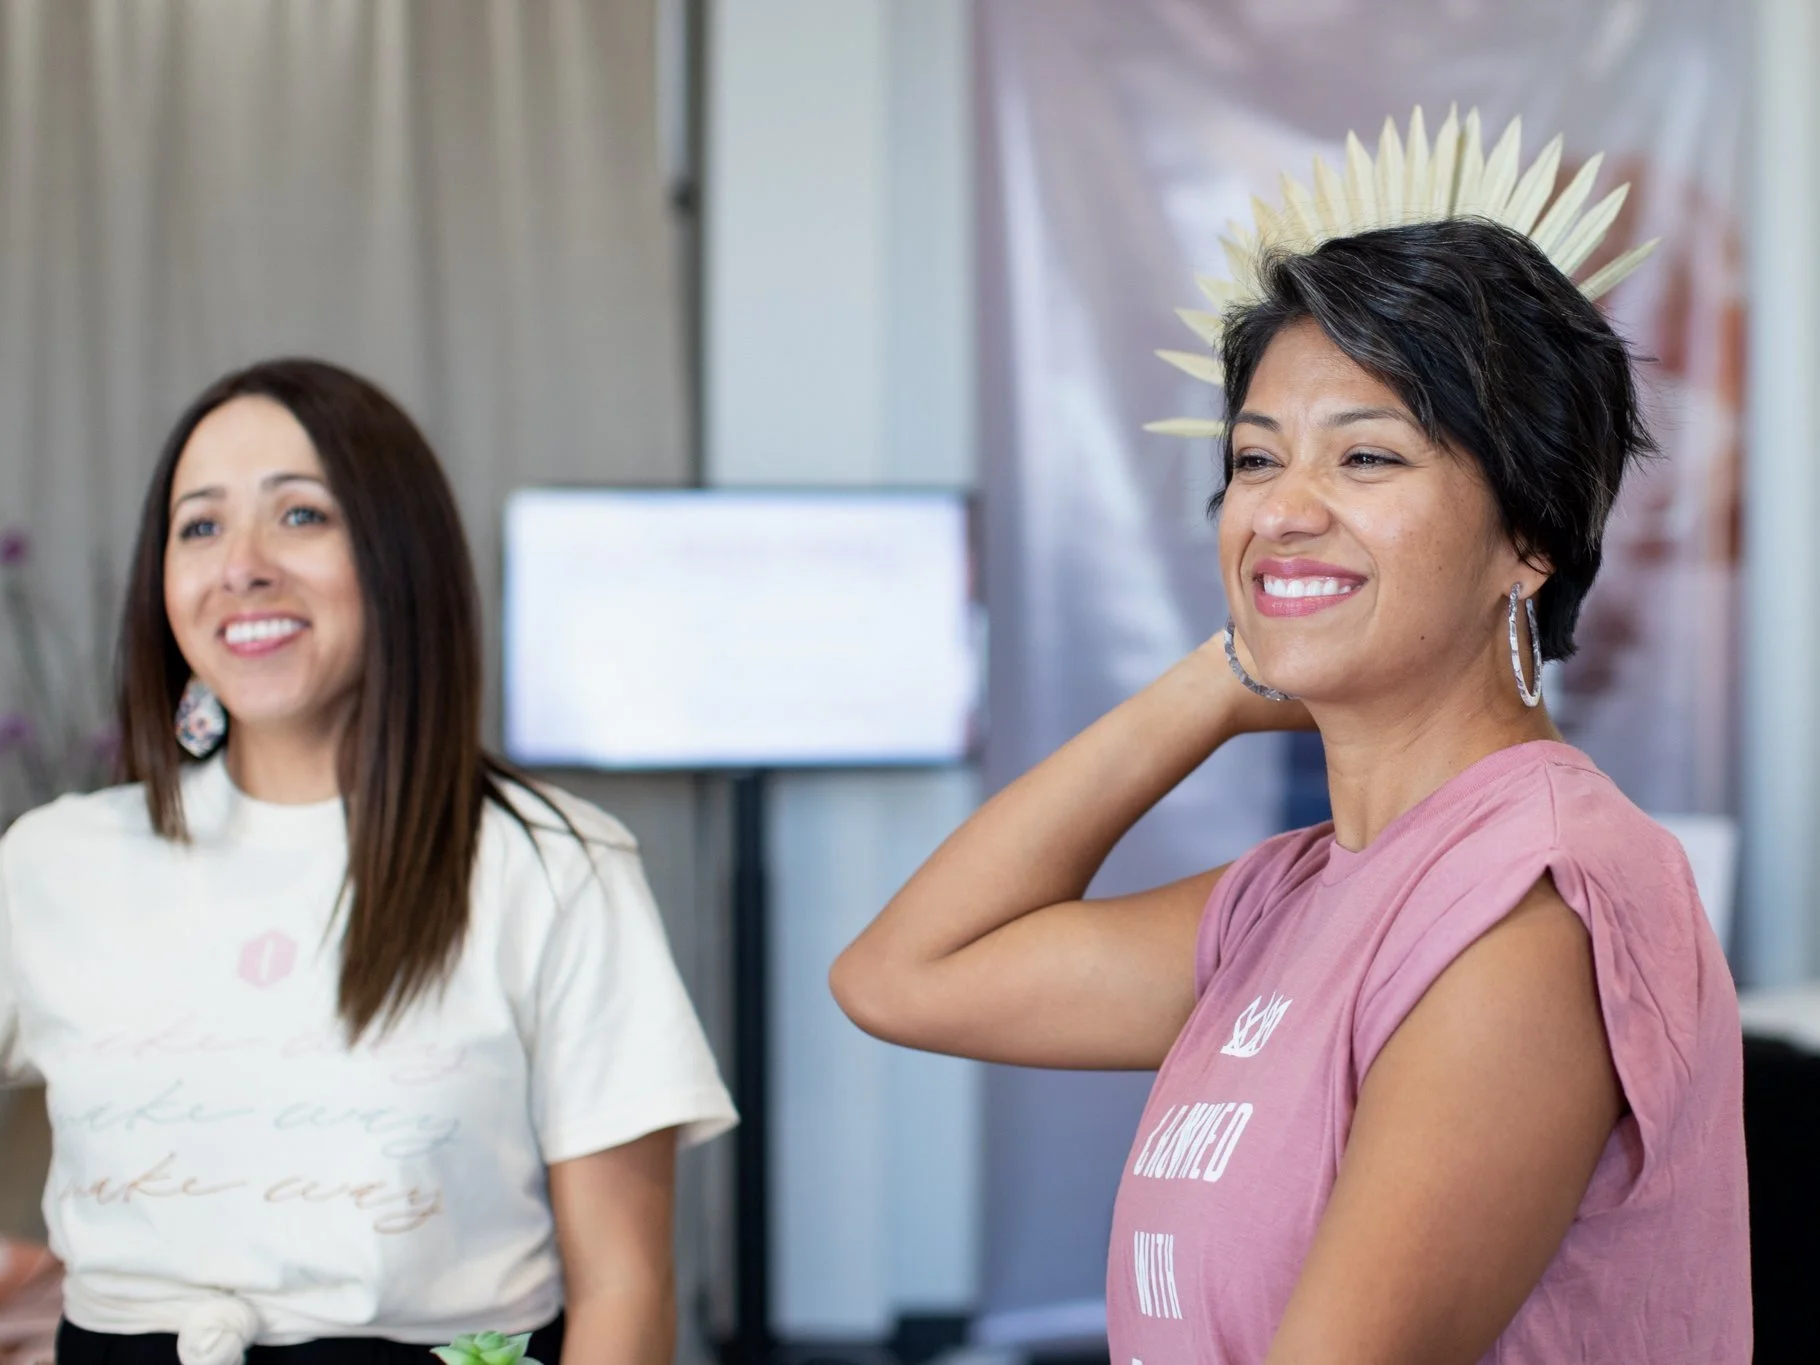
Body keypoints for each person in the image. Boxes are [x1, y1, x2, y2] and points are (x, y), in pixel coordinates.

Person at [832, 109, 1749, 1362]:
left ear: (1526, 539)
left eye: (1365, 456)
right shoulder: (1299, 896)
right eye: (1253, 462)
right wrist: (1226, 671)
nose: (1284, 509)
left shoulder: (1530, 907)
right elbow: (900, 977)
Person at [0, 359, 736, 1364]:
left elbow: (625, 1288)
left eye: (301, 516)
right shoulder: (55, 863)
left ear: (400, 557)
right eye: (200, 526)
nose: (242, 565)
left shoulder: (553, 868)